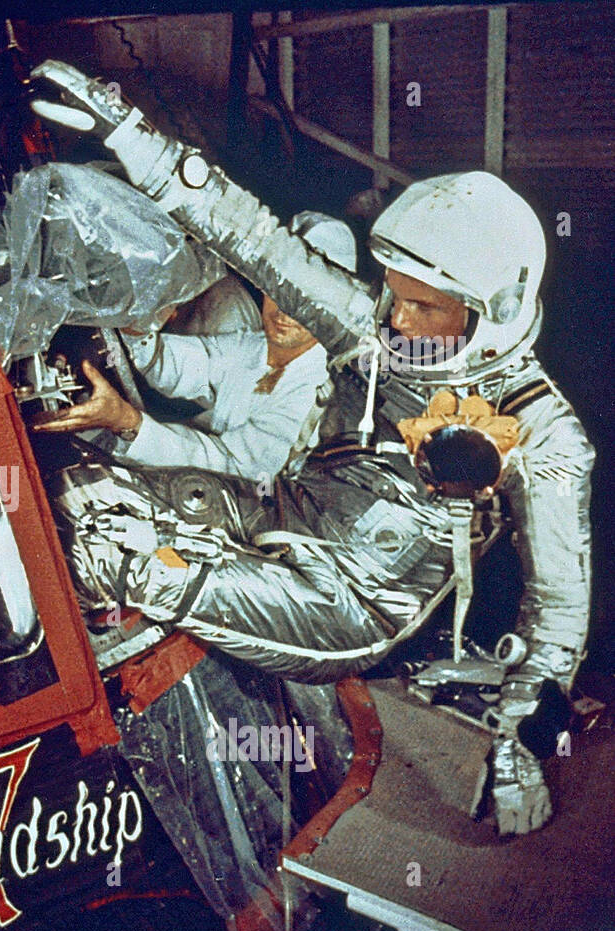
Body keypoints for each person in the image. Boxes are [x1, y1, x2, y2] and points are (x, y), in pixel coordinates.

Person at [30, 61, 594, 835]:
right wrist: (133, 136)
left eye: (422, 308)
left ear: (488, 313)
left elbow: (559, 613)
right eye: (392, 293)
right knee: (70, 490)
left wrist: (523, 740)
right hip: (278, 514)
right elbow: (256, 238)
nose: (394, 321)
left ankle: (47, 762)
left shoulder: (544, 432)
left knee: (108, 544)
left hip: (351, 606)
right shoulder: (374, 331)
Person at [33, 212, 354, 487]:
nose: (285, 312)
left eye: (308, 303)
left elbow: (236, 469)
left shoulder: (319, 392)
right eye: (280, 291)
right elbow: (170, 364)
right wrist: (138, 318)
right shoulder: (254, 347)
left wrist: (127, 423)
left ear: (335, 312)